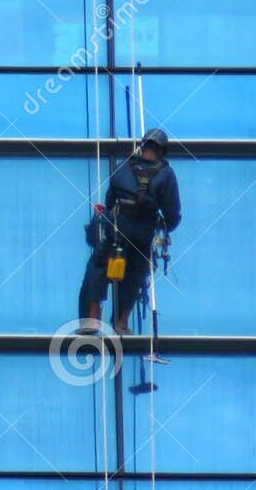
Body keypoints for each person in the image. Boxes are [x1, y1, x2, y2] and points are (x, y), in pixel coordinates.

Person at [78, 128, 182, 335]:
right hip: (142, 232)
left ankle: (91, 320)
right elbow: (172, 210)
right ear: (162, 151)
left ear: (143, 146)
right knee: (134, 276)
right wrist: (167, 225)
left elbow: (109, 200)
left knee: (97, 268)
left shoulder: (123, 167)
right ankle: (121, 323)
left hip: (118, 228)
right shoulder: (166, 174)